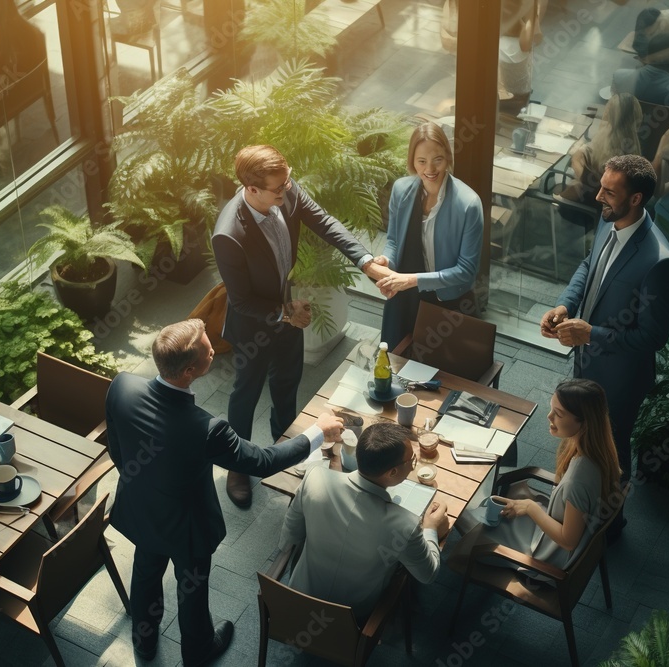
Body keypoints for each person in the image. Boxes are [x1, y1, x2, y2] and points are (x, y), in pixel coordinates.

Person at [105, 319, 345, 665]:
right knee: (191, 587)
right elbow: (262, 462)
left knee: (145, 567)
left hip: (140, 511)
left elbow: (116, 446)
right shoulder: (208, 429)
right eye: (208, 348)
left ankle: (143, 640)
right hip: (187, 529)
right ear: (189, 370)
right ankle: (198, 651)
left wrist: (140, 480)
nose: (214, 349)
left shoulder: (122, 386)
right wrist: (317, 432)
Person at [212, 145, 390, 508]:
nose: (287, 190)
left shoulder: (285, 188)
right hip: (253, 322)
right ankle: (237, 466)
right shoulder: (229, 234)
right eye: (278, 188)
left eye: (287, 182)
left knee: (286, 382)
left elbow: (324, 222)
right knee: (245, 394)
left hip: (286, 306)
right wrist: (284, 313)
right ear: (251, 189)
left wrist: (367, 262)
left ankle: (288, 445)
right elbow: (242, 299)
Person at [539, 155, 669, 539]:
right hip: (588, 363)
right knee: (582, 440)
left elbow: (653, 337)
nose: (598, 195)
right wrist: (565, 303)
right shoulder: (609, 222)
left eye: (609, 191)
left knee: (611, 451)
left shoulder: (660, 262)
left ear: (635, 199)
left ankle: (609, 529)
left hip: (620, 378)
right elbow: (588, 265)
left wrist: (591, 335)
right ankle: (573, 508)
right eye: (601, 186)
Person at [278, 422, 450, 619]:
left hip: (295, 600)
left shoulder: (315, 478)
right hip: (349, 621)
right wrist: (431, 528)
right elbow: (428, 575)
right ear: (392, 472)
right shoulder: (405, 525)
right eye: (411, 461)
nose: (413, 464)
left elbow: (288, 537)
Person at [453, 379, 622, 570]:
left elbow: (568, 541)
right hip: (551, 531)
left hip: (547, 555)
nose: (549, 417)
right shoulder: (596, 453)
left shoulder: (578, 482)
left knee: (464, 514)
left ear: (584, 424)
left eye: (558, 414)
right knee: (497, 501)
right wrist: (528, 507)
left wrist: (532, 508)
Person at [376, 122, 483, 349]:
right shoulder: (401, 190)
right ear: (412, 161)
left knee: (444, 376)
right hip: (406, 295)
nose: (430, 169)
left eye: (438, 160)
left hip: (447, 301)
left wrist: (413, 280)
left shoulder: (468, 204)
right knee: (395, 364)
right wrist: (387, 261)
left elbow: (466, 271)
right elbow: (394, 241)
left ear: (447, 157)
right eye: (421, 161)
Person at [559, 94, 642, 208]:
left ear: (609, 115)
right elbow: (587, 151)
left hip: (581, 206)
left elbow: (583, 183)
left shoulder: (610, 155)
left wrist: (581, 177)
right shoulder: (632, 143)